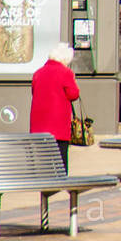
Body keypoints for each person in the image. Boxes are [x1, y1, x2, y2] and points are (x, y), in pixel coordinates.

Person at [30, 43, 81, 172]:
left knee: (44, 154)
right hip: (58, 122)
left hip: (39, 123)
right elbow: (73, 94)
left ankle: (45, 176)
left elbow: (34, 91)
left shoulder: (38, 72)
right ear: (65, 59)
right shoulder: (66, 72)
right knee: (60, 154)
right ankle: (60, 178)